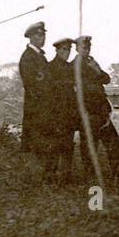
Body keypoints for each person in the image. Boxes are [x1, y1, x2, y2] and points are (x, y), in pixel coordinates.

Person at [73, 35, 119, 184]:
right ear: (77, 48)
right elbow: (89, 84)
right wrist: (96, 73)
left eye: (88, 47)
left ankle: (116, 177)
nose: (87, 50)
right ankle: (90, 179)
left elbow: (106, 79)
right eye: (83, 47)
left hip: (101, 111)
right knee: (89, 148)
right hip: (88, 112)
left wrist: (97, 70)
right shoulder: (75, 65)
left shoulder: (91, 62)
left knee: (114, 145)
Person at [43, 38, 79, 183]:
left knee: (68, 144)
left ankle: (66, 176)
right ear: (57, 50)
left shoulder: (70, 67)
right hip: (56, 113)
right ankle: (49, 177)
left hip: (69, 112)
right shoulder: (50, 67)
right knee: (54, 146)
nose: (67, 52)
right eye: (64, 49)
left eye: (69, 49)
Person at [18, 21, 49, 155]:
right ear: (30, 37)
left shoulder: (40, 56)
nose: (42, 38)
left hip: (44, 111)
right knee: (39, 150)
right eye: (38, 35)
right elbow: (32, 87)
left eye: (43, 35)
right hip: (37, 112)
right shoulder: (28, 58)